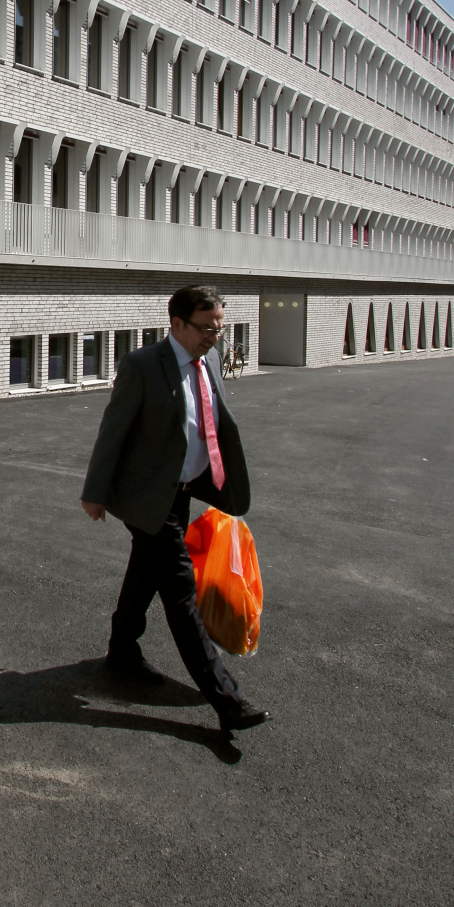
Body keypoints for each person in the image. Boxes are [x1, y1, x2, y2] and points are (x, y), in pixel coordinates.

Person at [81, 283, 270, 735]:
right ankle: (228, 700)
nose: (215, 335)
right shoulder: (143, 366)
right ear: (177, 324)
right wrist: (95, 492)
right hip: (146, 495)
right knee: (181, 591)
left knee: (145, 572)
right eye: (206, 327)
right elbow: (114, 432)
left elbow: (212, 424)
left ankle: (122, 650)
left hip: (184, 491)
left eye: (219, 327)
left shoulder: (210, 361)